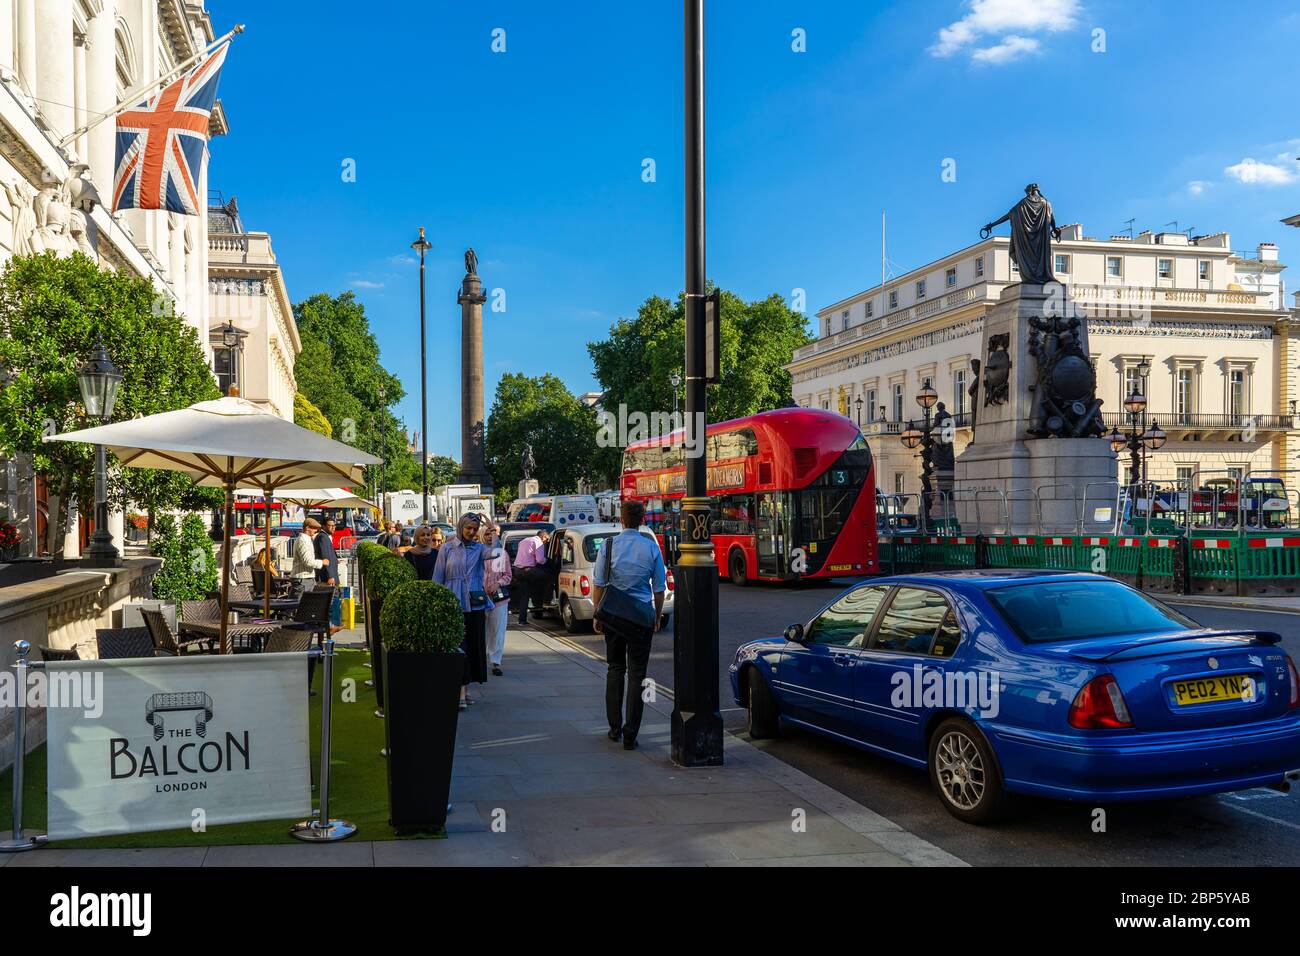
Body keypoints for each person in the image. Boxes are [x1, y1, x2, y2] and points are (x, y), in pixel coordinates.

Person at [592, 500, 666, 751]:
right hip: (640, 618)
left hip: (613, 616)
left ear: (621, 520)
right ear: (642, 519)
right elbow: (659, 588)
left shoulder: (609, 545)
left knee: (615, 669)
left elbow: (599, 583)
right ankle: (631, 735)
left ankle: (614, 728)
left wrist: (597, 613)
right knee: (638, 675)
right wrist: (656, 616)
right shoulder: (651, 547)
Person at [434, 513, 491, 709]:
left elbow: (498, 555)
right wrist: (438, 605)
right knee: (459, 648)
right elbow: (438, 578)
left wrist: (492, 531)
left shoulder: (480, 548)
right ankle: (459, 692)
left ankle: (464, 691)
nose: (472, 532)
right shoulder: (447, 548)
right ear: (461, 527)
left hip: (474, 604)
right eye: (469, 528)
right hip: (453, 603)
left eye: (475, 529)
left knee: (473, 648)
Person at [481, 522, 512, 677]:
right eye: (486, 533)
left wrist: (497, 583)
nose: (488, 537)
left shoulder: (501, 553)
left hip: (498, 598)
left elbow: (508, 576)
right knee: (482, 631)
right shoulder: (477, 552)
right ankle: (481, 659)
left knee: (497, 631)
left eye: (491, 534)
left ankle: (496, 662)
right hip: (479, 598)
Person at [511, 527, 550, 625]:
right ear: (543, 536)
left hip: (517, 570)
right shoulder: (538, 542)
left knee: (525, 595)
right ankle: (547, 600)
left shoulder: (523, 541)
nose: (546, 542)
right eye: (547, 539)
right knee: (549, 576)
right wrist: (548, 560)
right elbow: (540, 560)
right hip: (528, 570)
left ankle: (522, 620)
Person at [292, 518, 327, 589]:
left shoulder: (306, 539)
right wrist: (322, 562)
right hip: (302, 578)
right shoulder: (303, 540)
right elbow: (307, 561)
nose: (316, 531)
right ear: (307, 528)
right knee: (303, 600)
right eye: (314, 528)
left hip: (305, 578)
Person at [314, 518, 339, 587]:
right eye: (330, 525)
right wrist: (330, 576)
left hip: (327, 576)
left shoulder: (325, 536)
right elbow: (325, 557)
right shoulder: (323, 537)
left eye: (334, 525)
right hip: (326, 577)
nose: (333, 527)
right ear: (323, 526)